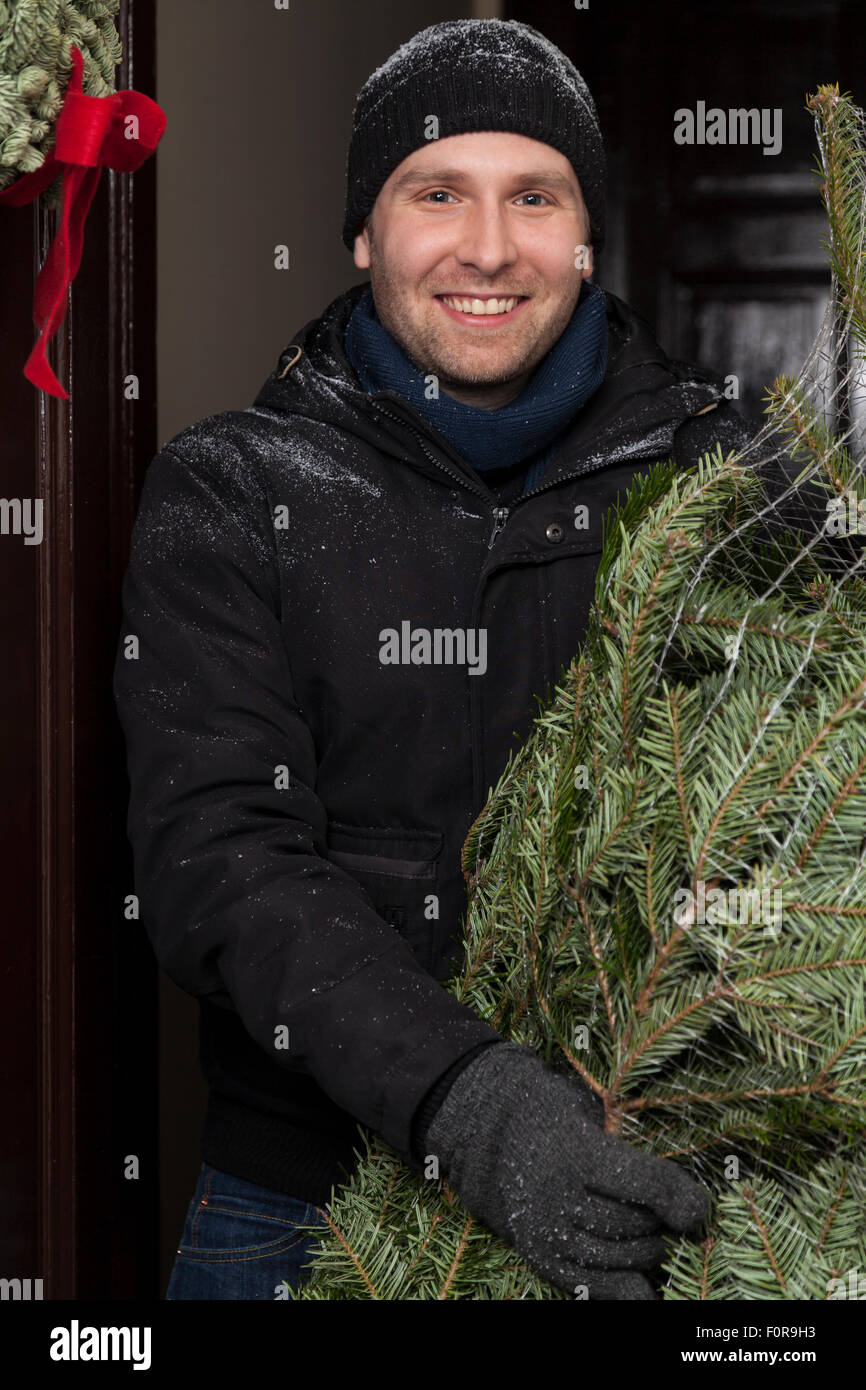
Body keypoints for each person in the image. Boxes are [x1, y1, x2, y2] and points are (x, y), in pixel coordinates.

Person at [113, 18, 756, 1302]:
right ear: (363, 232)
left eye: (533, 194)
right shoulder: (230, 489)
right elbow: (217, 861)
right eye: (435, 194)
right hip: (301, 1205)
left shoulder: (721, 482)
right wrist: (470, 1103)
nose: (486, 246)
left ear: (584, 230)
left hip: (660, 1200)